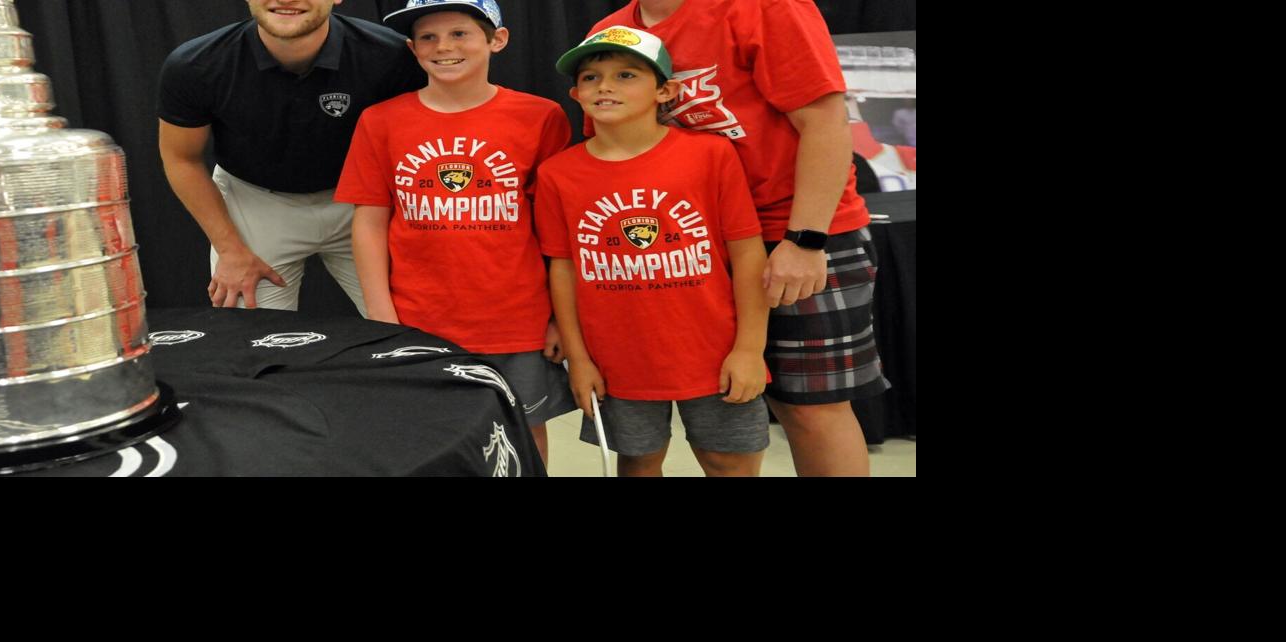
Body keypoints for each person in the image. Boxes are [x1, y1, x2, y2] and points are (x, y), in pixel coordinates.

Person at [585, 0, 887, 476]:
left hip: (789, 229)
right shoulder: (611, 31)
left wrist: (806, 239)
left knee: (811, 408)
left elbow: (824, 118)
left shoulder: (764, 7)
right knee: (729, 408)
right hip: (691, 245)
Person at [333, 0, 576, 465]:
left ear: (497, 39)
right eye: (428, 37)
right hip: (419, 317)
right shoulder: (381, 120)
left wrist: (559, 317)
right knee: (428, 434)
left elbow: (556, 229)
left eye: (459, 33)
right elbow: (370, 220)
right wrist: (380, 312)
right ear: (412, 48)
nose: (443, 47)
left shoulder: (540, 116)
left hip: (517, 320)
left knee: (522, 434)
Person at [535, 26, 771, 477]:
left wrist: (749, 349)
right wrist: (579, 360)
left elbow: (746, 254)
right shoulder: (557, 174)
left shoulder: (711, 155)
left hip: (712, 349)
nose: (604, 86)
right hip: (617, 357)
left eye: (626, 75)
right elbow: (563, 269)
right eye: (590, 77)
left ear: (666, 91)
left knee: (728, 461)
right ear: (576, 93)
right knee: (639, 462)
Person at [158, 1, 425, 311]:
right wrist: (229, 249)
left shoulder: (390, 55)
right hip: (255, 203)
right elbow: (182, 159)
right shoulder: (197, 65)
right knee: (255, 334)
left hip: (363, 204)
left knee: (411, 324)